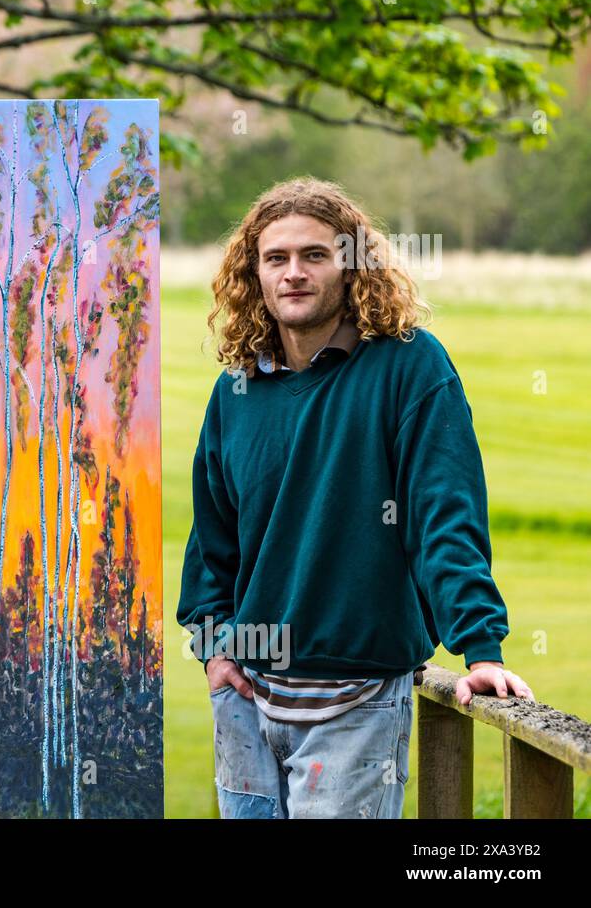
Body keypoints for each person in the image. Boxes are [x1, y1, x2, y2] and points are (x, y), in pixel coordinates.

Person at [176, 177, 533, 819]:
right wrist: (213, 642)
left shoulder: (410, 367)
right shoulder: (236, 388)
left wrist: (481, 647)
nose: (294, 273)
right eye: (275, 258)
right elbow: (212, 536)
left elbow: (442, 514)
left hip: (357, 701)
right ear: (252, 273)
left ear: (353, 264)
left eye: (315, 254)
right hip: (246, 702)